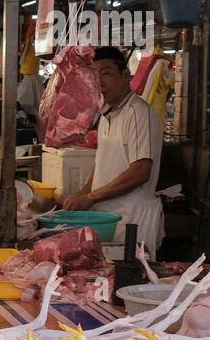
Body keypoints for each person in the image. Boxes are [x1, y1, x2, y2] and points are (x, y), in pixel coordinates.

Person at [64, 46, 163, 254]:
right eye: (95, 75)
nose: (100, 82)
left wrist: (90, 198)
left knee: (127, 281)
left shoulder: (137, 112)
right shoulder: (107, 113)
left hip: (131, 221)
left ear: (126, 75)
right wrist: (81, 196)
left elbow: (141, 171)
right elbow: (102, 165)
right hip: (107, 219)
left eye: (107, 73)